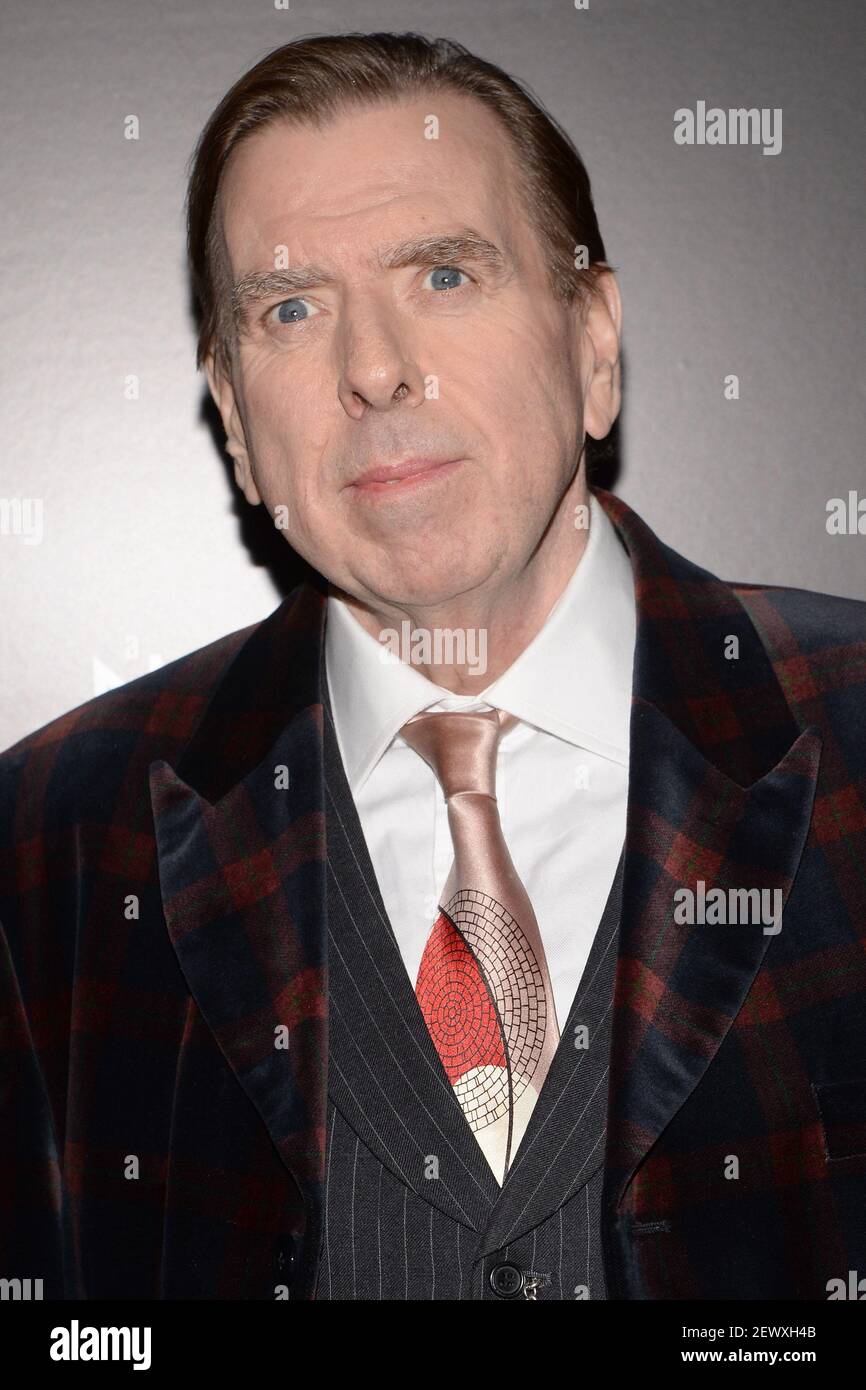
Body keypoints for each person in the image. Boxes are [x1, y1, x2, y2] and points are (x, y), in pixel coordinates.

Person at [2, 31, 864, 1302]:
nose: (372, 368)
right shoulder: (51, 843)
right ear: (237, 425)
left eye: (445, 276)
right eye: (289, 310)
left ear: (591, 344)